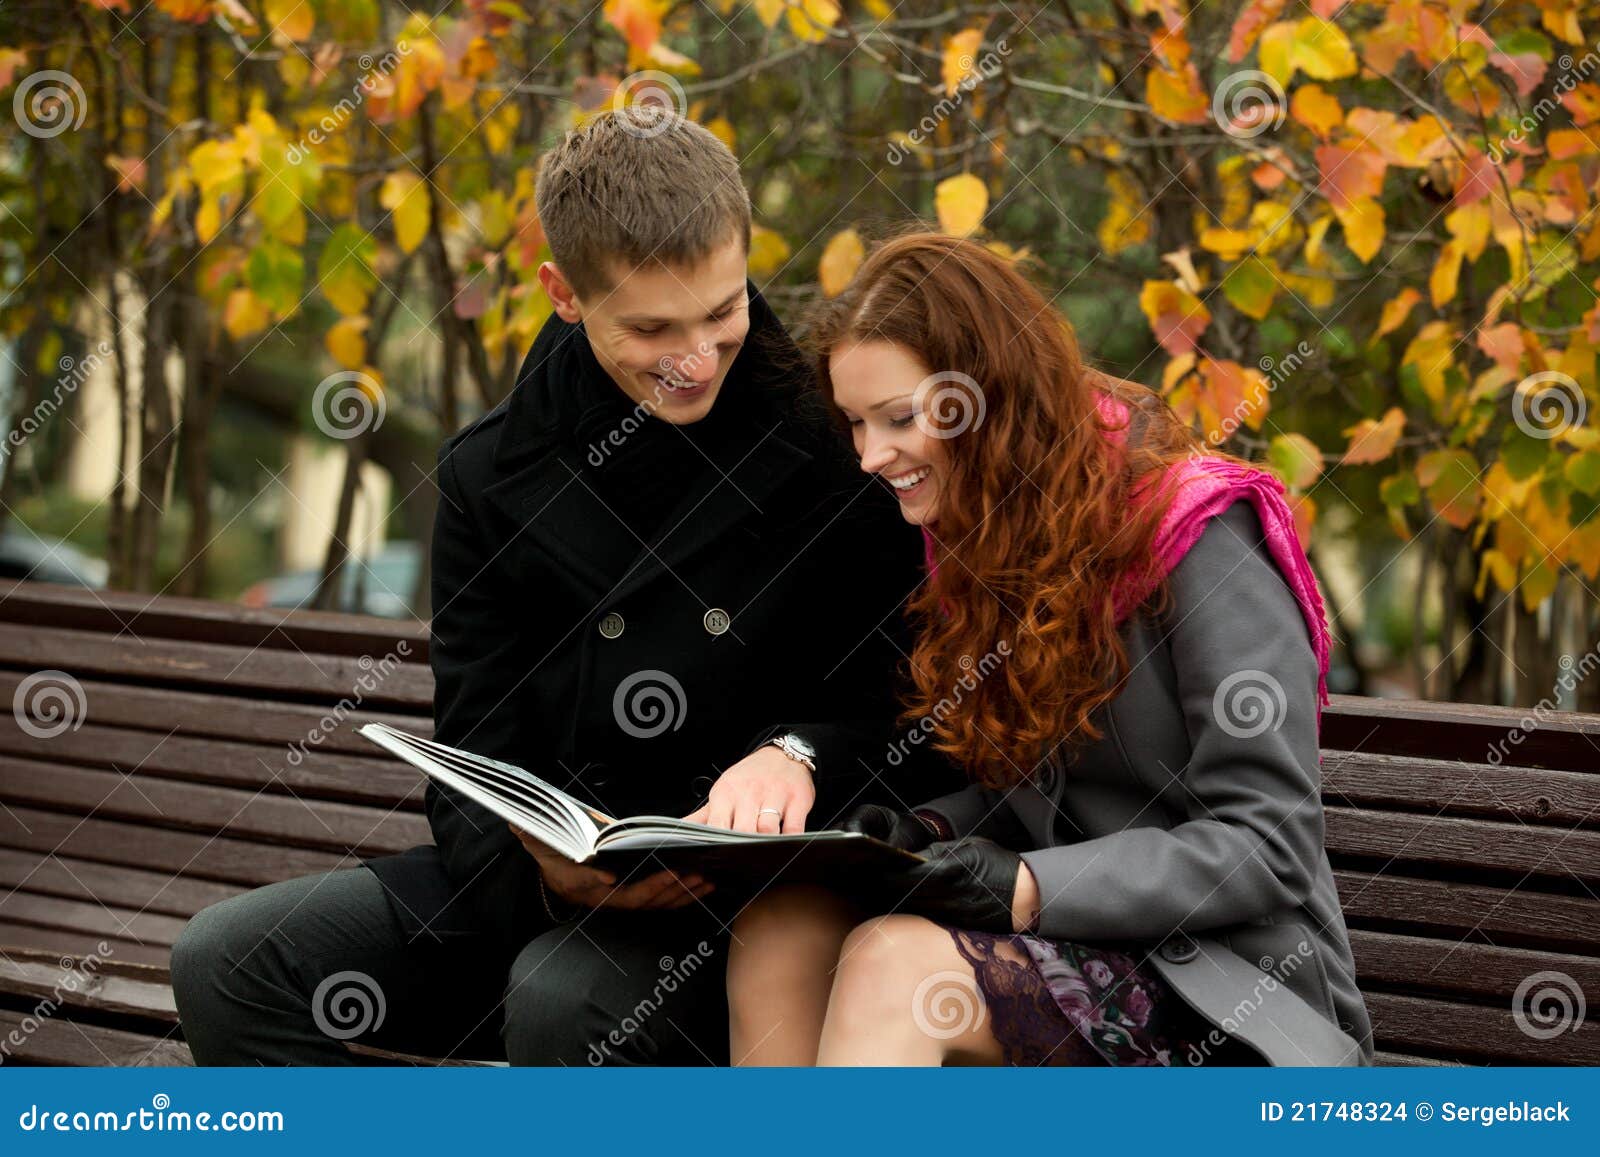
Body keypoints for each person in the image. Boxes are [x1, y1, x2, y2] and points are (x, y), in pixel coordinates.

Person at [170, 109, 959, 1066]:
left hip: (765, 912)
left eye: (721, 313)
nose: (696, 360)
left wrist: (795, 752)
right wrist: (548, 878)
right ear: (563, 294)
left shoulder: (834, 436)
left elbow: (912, 707)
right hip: (549, 893)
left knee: (562, 996)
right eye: (652, 328)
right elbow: (472, 746)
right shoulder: (491, 474)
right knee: (229, 961)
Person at [725, 232, 1376, 1067]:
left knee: (895, 966)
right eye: (855, 424)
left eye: (896, 419)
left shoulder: (1203, 530)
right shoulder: (983, 540)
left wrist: (1028, 888)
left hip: (1231, 995)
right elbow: (1044, 800)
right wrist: (918, 832)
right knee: (785, 920)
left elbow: (1270, 843)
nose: (868, 456)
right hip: (1072, 949)